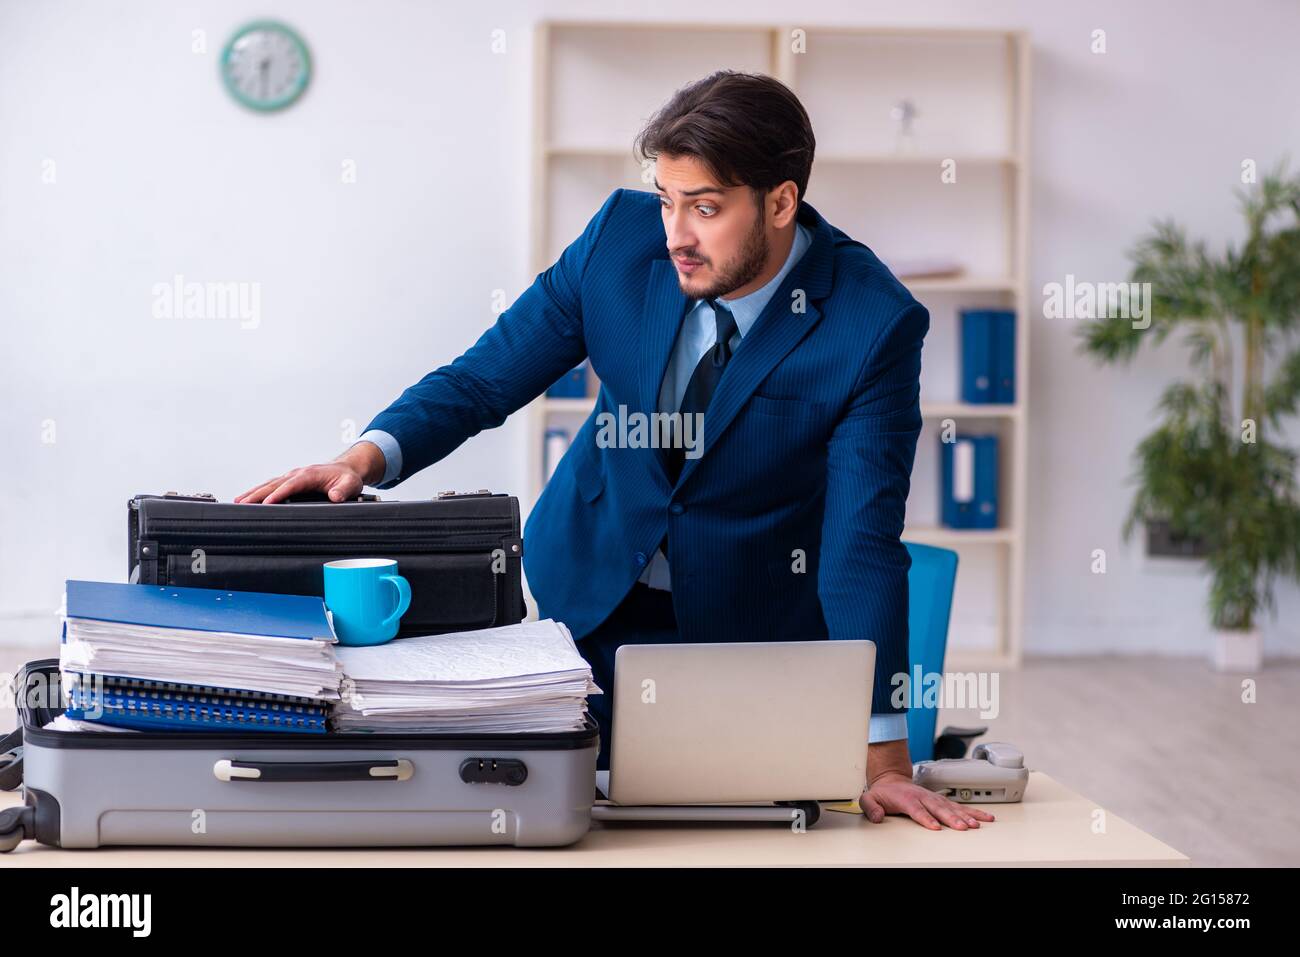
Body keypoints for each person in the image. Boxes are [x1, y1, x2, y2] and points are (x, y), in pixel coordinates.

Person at [238, 70, 994, 831]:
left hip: (744, 631)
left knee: (717, 826)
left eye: (704, 207)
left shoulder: (872, 323)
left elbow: (858, 545)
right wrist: (364, 457)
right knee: (558, 807)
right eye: (667, 199)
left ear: (780, 202)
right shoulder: (617, 243)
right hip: (586, 589)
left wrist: (885, 759)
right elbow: (486, 376)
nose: (675, 235)